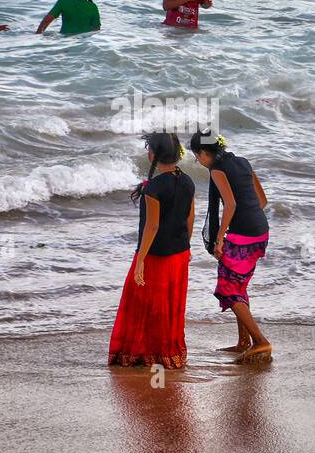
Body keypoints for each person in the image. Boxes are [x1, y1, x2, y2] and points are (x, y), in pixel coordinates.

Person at [107, 132, 195, 369]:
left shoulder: (154, 188)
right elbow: (190, 217)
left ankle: (144, 354)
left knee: (144, 304)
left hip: (157, 255)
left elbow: (152, 226)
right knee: (169, 305)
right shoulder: (187, 180)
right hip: (179, 252)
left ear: (152, 155)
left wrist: (140, 260)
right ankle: (168, 353)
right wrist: (186, 246)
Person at [189, 131, 272, 363]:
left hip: (242, 236)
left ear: (205, 153)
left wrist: (219, 239)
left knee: (227, 288)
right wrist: (249, 220)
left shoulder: (217, 170)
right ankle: (243, 342)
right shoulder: (243, 162)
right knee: (240, 285)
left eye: (197, 157)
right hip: (261, 232)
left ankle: (260, 341)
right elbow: (262, 201)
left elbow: (231, 204)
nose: (199, 161)